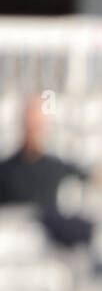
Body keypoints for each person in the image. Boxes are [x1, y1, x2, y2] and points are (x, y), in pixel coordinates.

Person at [0, 95, 93, 247]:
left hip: (48, 237)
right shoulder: (5, 169)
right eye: (30, 124)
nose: (34, 130)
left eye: (38, 125)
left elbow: (91, 175)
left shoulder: (56, 166)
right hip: (13, 238)